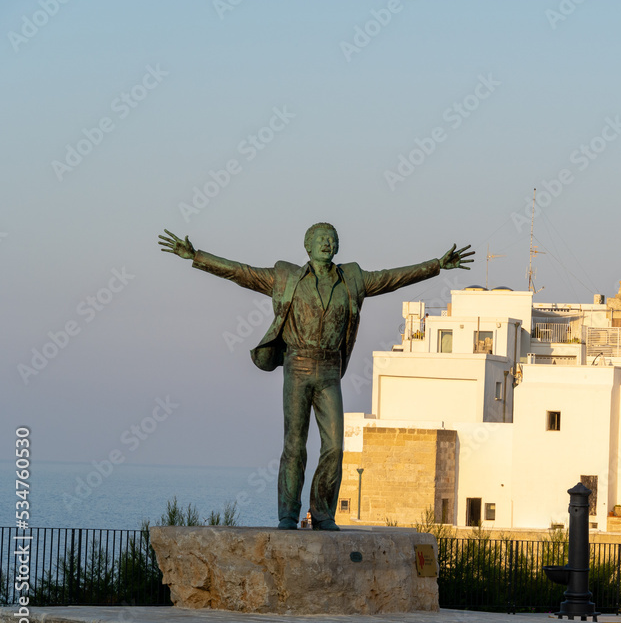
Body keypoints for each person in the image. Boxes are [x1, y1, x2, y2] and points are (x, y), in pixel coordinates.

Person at [159, 225, 473, 530]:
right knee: (294, 444)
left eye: (332, 239)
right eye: (321, 239)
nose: (327, 243)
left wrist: (436, 266)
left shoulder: (352, 279)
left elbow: (392, 278)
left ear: (337, 246)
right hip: (297, 367)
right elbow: (242, 272)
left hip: (329, 372)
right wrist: (196, 256)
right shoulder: (286, 277)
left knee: (334, 446)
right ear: (307, 246)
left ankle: (323, 514)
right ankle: (287, 514)